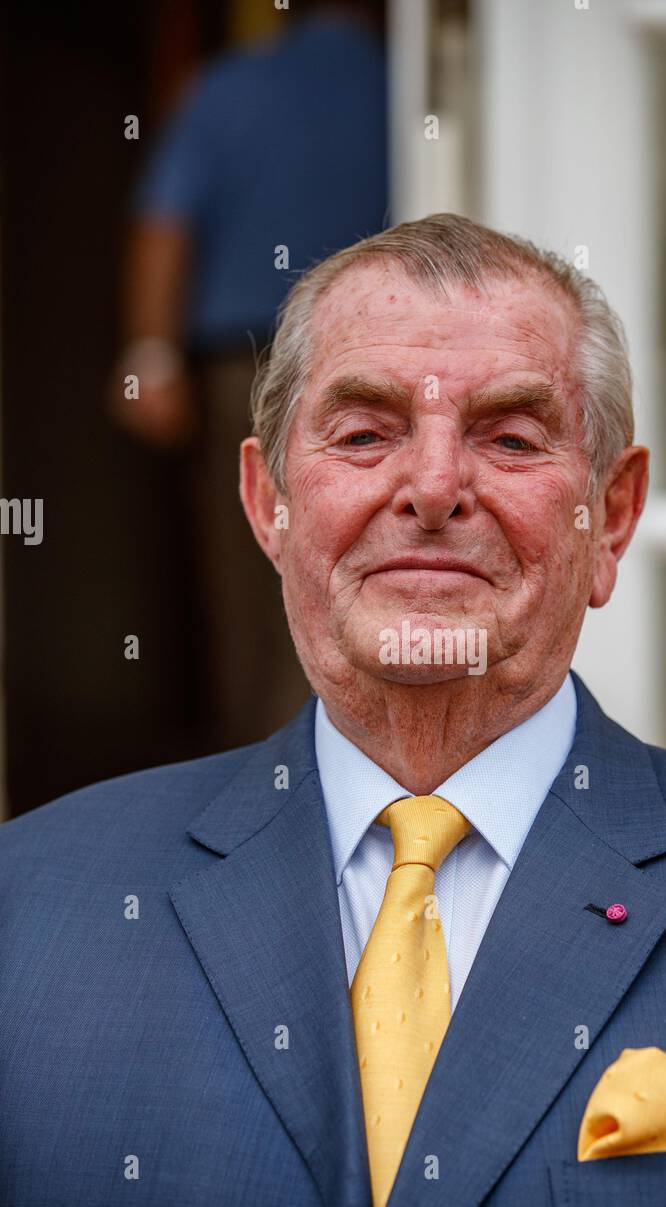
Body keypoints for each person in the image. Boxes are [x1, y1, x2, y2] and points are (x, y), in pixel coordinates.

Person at [2, 214, 666, 1207]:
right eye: (364, 434)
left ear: (613, 514)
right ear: (268, 502)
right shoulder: (28, 908)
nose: (432, 485)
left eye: (510, 438)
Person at [109, 0, 388, 749]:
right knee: (363, 581)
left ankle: (263, 778)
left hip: (249, 372)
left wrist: (149, 356)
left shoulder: (228, 85)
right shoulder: (412, 86)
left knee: (252, 588)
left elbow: (164, 221)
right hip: (380, 375)